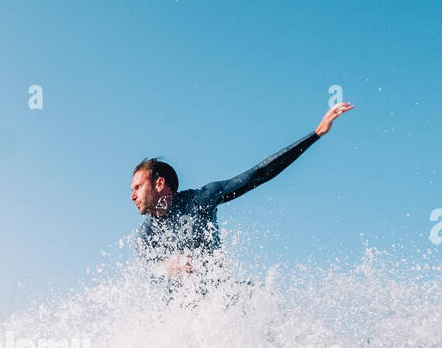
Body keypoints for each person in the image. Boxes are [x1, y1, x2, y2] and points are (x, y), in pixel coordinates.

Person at [130, 102, 353, 280]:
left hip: (218, 302)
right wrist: (167, 267)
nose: (132, 196)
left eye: (138, 187)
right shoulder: (147, 234)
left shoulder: (200, 199)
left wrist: (316, 134)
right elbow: (148, 271)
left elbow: (258, 174)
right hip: (183, 316)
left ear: (159, 184)